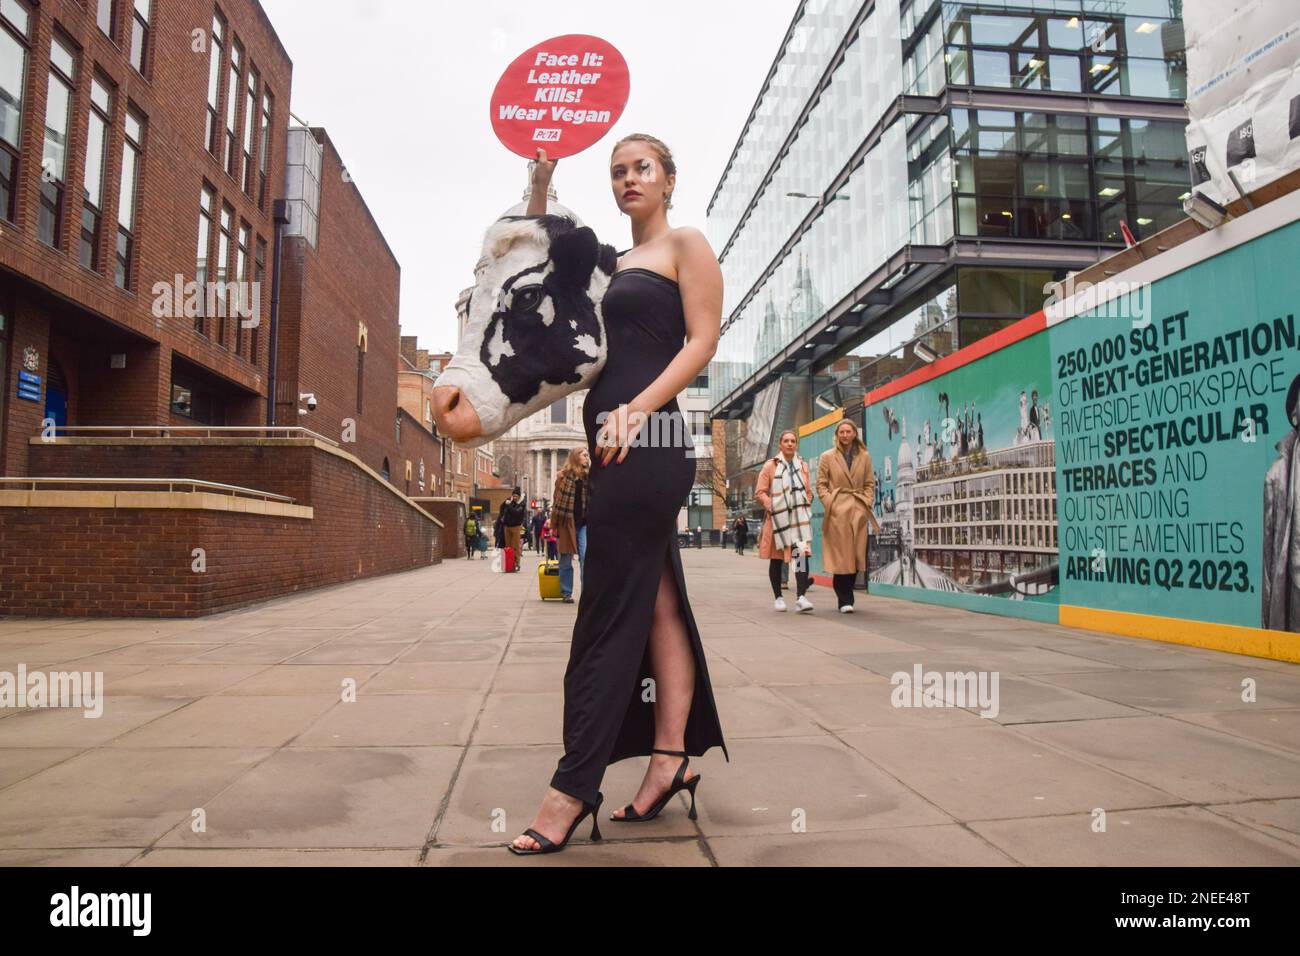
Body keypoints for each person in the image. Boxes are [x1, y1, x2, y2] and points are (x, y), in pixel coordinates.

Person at [509, 137, 729, 855]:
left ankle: (572, 787)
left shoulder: (685, 246)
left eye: (642, 168)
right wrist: (539, 184)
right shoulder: (606, 265)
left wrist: (637, 407)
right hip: (610, 445)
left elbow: (702, 341)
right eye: (616, 171)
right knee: (661, 601)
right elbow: (536, 260)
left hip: (652, 440)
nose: (628, 178)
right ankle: (669, 760)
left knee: (603, 617)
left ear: (669, 179)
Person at [816, 419, 880, 613]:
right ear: (837, 435)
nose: (845, 435)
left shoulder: (865, 456)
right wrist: (830, 503)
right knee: (841, 557)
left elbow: (870, 483)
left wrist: (866, 502)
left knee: (855, 555)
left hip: (858, 509)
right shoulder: (827, 456)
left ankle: (847, 597)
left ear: (854, 433)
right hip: (838, 511)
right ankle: (845, 600)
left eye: (848, 431)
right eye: (841, 432)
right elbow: (821, 484)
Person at [756, 429, 815, 612]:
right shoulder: (770, 466)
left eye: (793, 441)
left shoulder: (803, 466)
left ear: (796, 444)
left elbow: (808, 490)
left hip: (798, 521)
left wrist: (806, 502)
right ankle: (778, 598)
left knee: (801, 558)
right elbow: (760, 492)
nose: (790, 444)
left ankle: (801, 597)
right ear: (780, 444)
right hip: (777, 521)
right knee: (776, 560)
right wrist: (771, 505)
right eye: (786, 441)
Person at [552, 447, 591, 604]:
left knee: (585, 557)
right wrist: (553, 525)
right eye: (584, 455)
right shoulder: (562, 477)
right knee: (565, 559)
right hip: (566, 522)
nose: (587, 457)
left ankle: (586, 593)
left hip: (583, 523)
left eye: (587, 455)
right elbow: (556, 501)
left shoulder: (589, 477)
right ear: (575, 457)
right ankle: (566, 592)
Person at [499, 489, 526, 572]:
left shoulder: (522, 504)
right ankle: (509, 564)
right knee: (508, 546)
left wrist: (509, 505)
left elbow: (516, 513)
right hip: (507, 526)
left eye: (516, 496)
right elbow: (501, 509)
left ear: (519, 497)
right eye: (513, 496)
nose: (514, 498)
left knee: (515, 547)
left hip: (516, 527)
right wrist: (504, 503)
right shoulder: (509, 501)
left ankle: (516, 564)